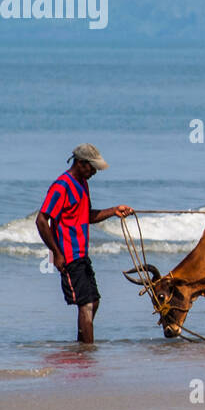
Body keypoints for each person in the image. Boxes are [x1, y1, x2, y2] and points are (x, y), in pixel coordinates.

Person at [35, 143, 132, 343]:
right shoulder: (61, 186)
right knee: (86, 305)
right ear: (80, 163)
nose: (95, 172)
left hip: (82, 254)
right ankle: (88, 353)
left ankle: (81, 346)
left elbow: (86, 215)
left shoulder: (83, 184)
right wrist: (56, 253)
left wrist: (114, 211)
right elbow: (42, 220)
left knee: (94, 302)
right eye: (92, 167)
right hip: (68, 256)